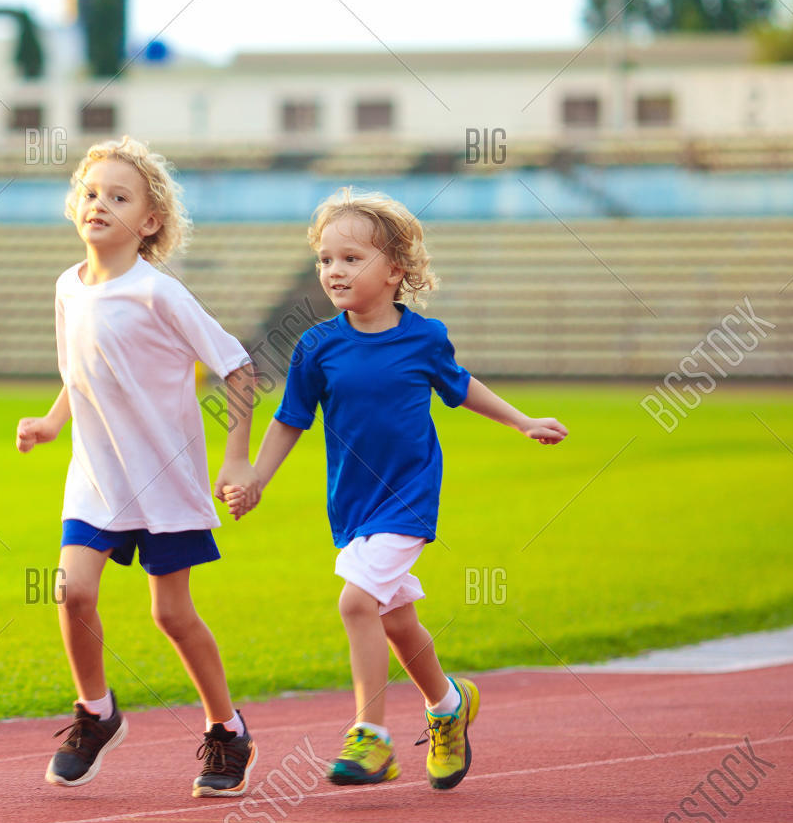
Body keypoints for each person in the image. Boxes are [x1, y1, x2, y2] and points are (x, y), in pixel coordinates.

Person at [226, 188, 567, 791]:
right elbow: (289, 421)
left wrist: (522, 421)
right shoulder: (317, 346)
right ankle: (447, 705)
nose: (334, 270)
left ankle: (372, 738)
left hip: (408, 498)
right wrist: (255, 476)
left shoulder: (424, 338)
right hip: (352, 505)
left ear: (395, 271)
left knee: (356, 603)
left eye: (351, 259)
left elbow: (462, 388)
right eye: (326, 259)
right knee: (396, 620)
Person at [15, 136, 262, 797]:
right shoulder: (67, 287)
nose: (99, 205)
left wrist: (236, 458)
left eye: (118, 197)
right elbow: (79, 369)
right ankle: (96, 712)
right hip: (96, 477)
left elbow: (239, 366)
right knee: (74, 592)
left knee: (171, 615)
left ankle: (227, 729)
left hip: (164, 482)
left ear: (148, 222)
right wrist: (50, 422)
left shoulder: (159, 294)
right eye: (91, 193)